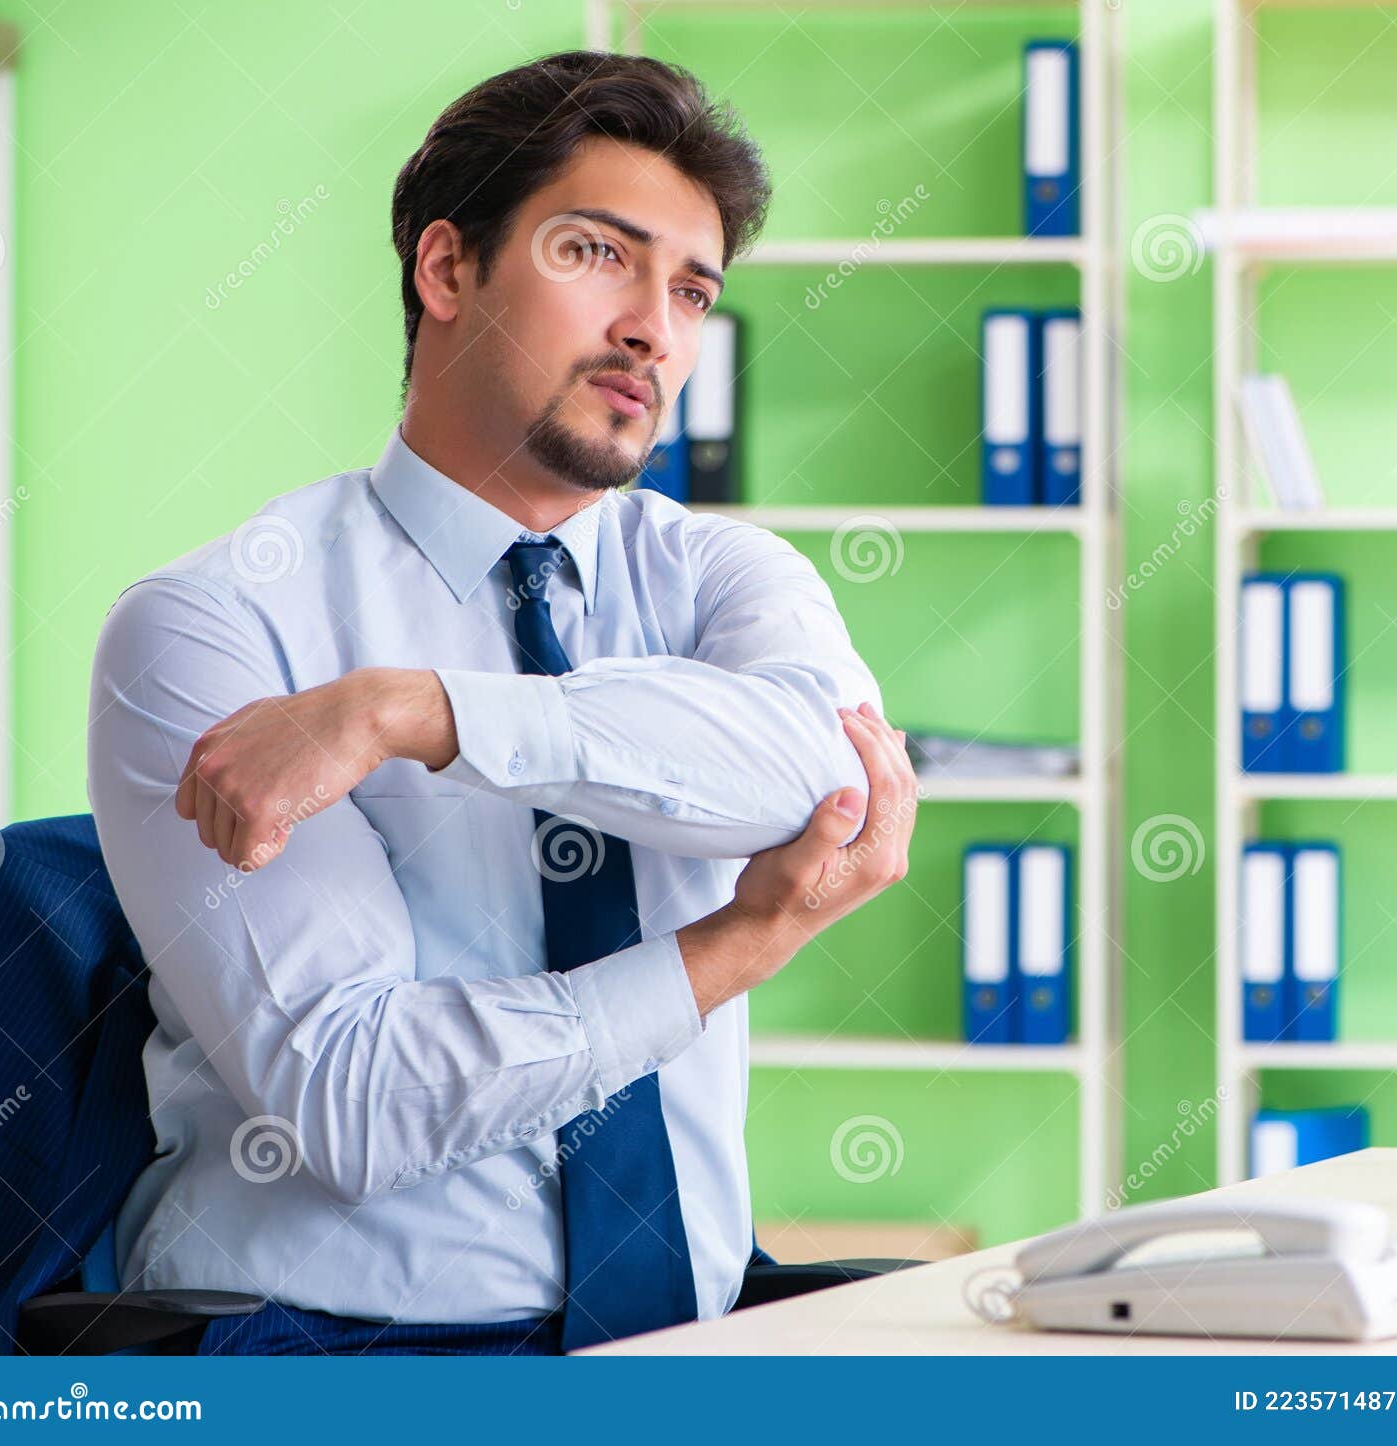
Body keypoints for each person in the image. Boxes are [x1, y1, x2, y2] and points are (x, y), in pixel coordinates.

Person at [86, 49, 917, 1358]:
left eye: (691, 290)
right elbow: (353, 1099)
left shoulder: (720, 573)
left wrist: (418, 713)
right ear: (447, 268)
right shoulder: (217, 624)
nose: (654, 329)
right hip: (338, 1353)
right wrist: (731, 951)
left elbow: (819, 777)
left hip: (679, 1336)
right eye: (598, 253)